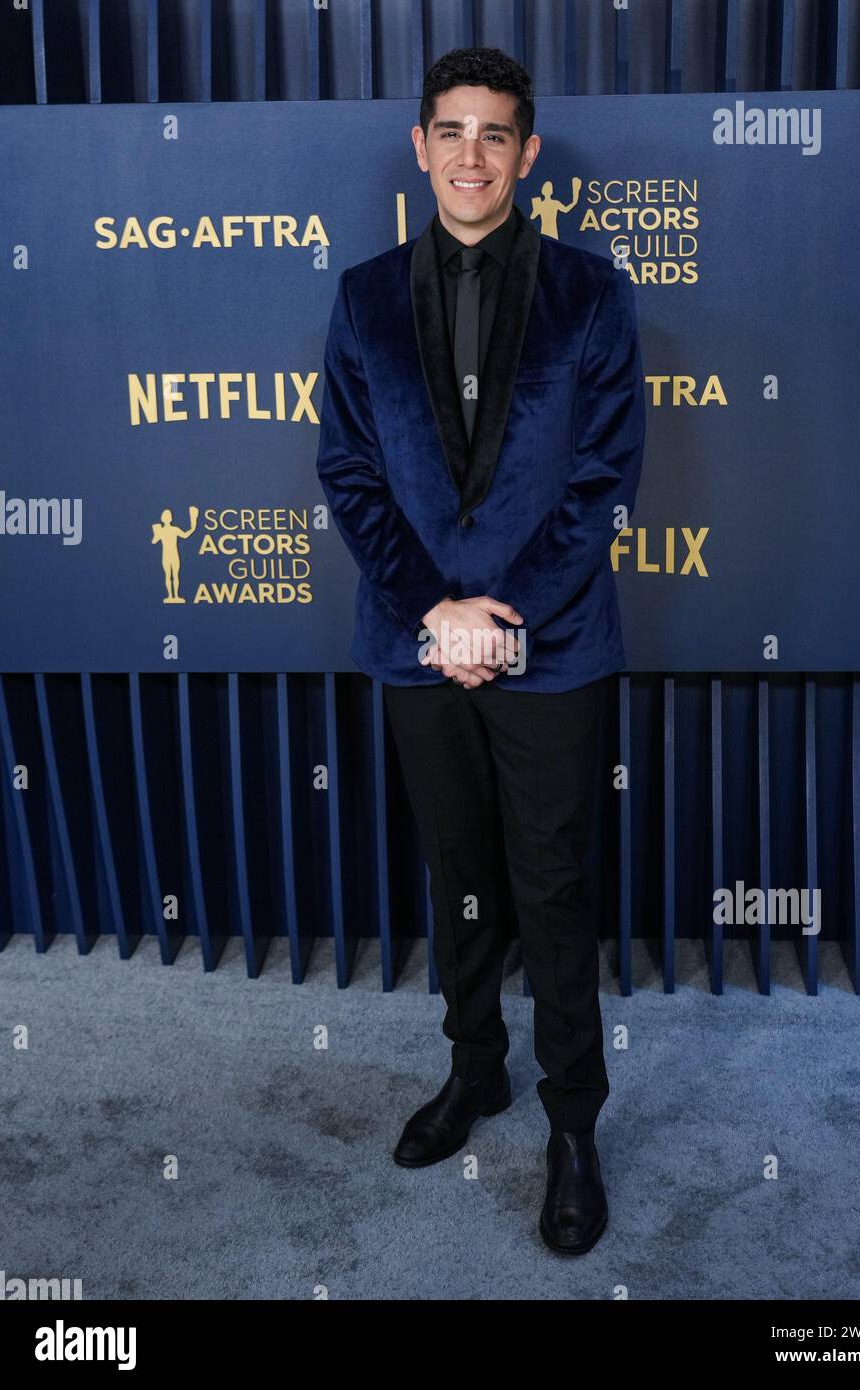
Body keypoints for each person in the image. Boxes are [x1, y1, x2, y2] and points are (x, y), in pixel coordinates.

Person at [316, 46, 646, 1256]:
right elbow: (349, 477)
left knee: (552, 891)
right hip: (415, 649)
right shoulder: (359, 301)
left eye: (494, 133)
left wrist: (496, 614)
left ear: (527, 153)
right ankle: (476, 1070)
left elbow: (606, 479)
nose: (470, 153)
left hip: (551, 648)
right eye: (449, 131)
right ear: (419, 147)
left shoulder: (593, 296)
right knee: (458, 875)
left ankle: (573, 1125)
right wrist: (434, 616)